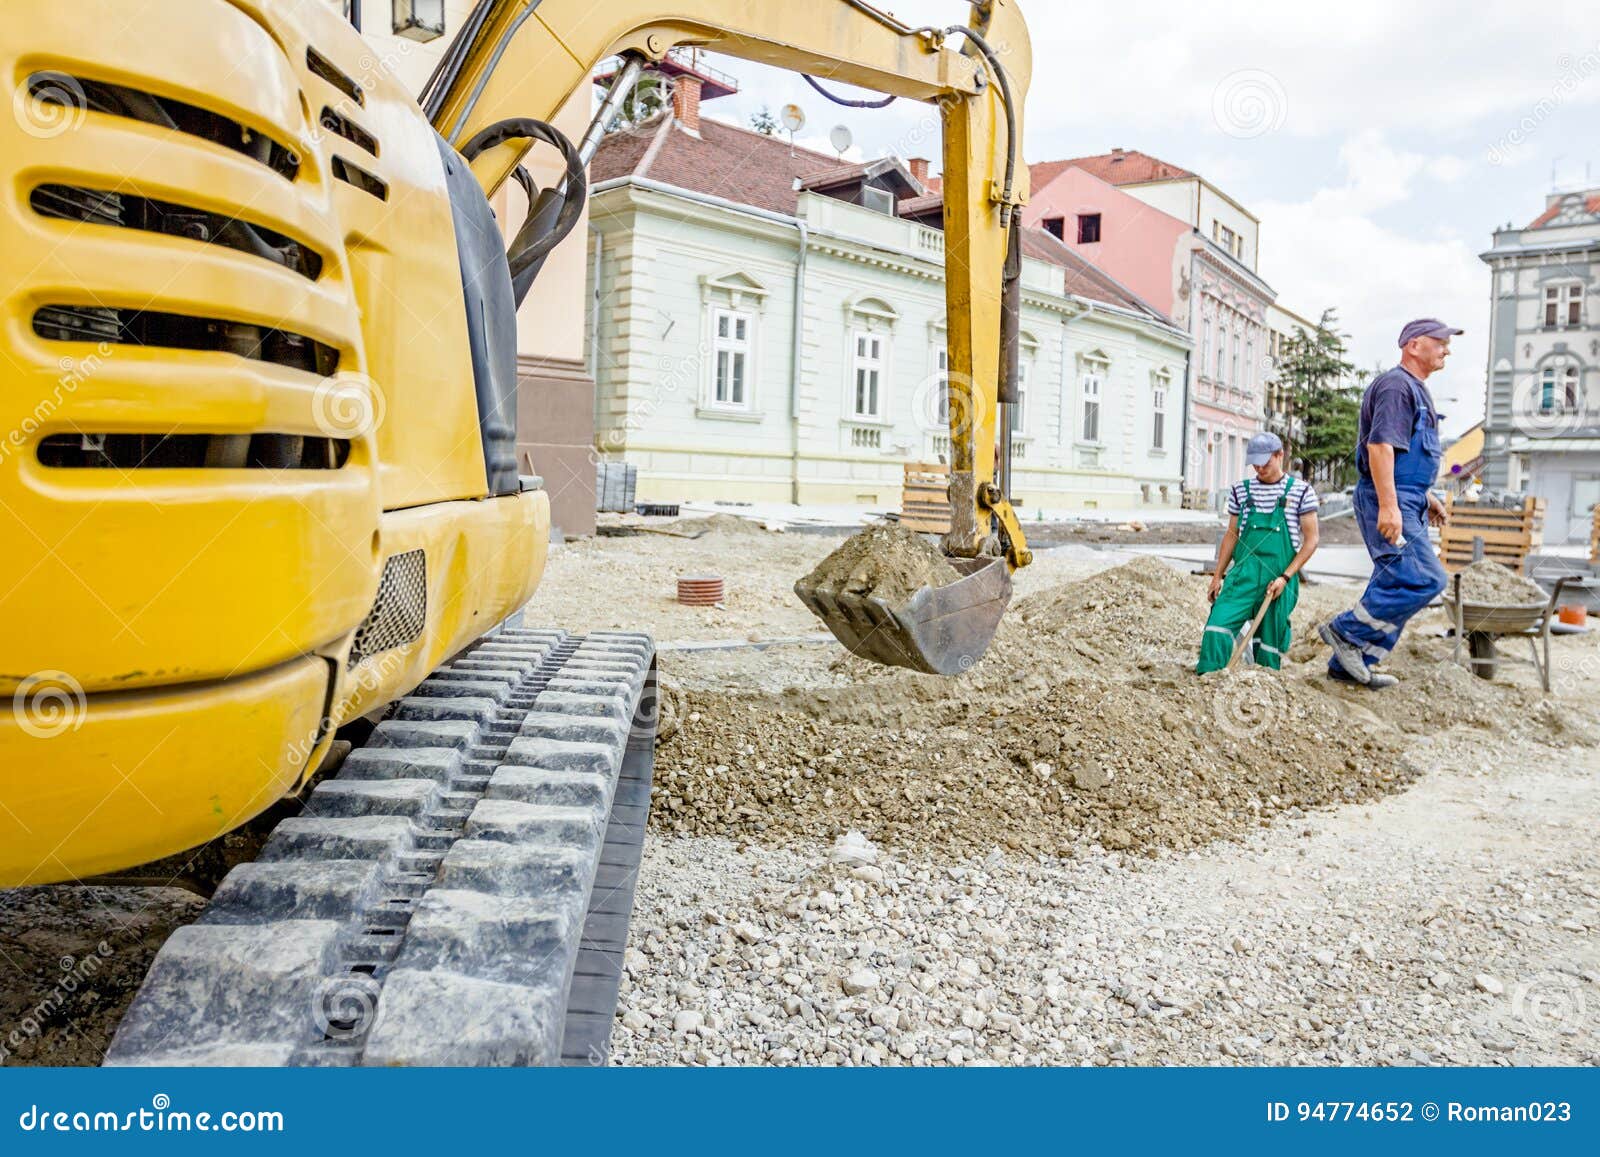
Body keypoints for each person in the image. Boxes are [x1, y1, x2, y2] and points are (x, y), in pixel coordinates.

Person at [1318, 318, 1456, 689]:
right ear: (1414, 345)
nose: (1447, 350)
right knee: (1424, 579)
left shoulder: (1416, 390)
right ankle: (1345, 631)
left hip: (1407, 496)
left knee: (1395, 579)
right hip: (1389, 497)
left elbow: (1404, 455)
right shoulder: (1397, 386)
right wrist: (1390, 505)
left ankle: (1348, 665)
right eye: (1440, 342)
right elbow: (1380, 447)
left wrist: (1425, 495)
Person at [1197, 432, 1320, 674]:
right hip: (1243, 575)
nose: (1259, 468)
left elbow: (1312, 540)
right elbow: (1232, 534)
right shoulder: (1240, 491)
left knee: (1268, 645)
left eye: (1265, 462)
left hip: (1278, 579)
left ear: (1280, 455)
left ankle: (1262, 686)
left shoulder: (1301, 492)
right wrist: (1217, 575)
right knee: (1216, 628)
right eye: (1255, 463)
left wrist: (1285, 577)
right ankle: (1208, 681)